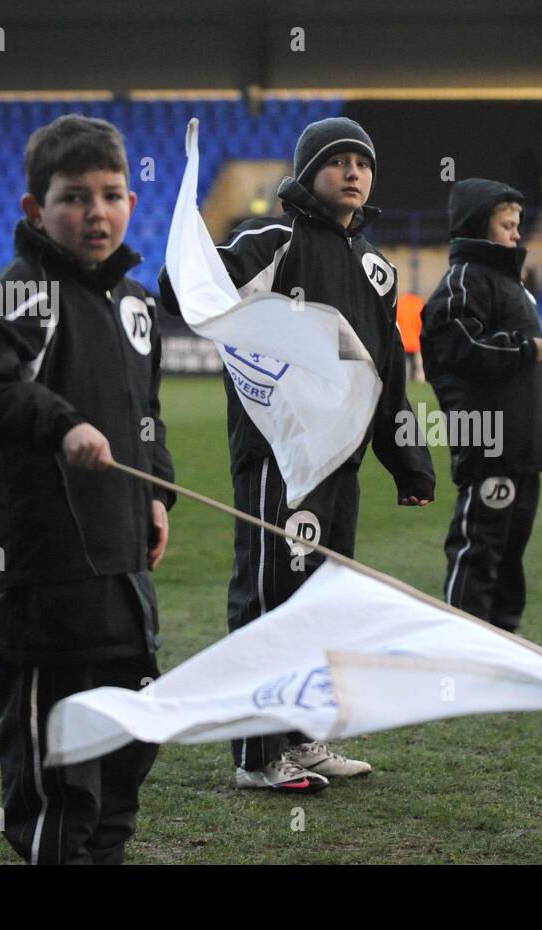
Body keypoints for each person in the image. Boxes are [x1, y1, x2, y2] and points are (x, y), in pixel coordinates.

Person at [159, 117, 435, 793]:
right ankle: (257, 753)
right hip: (276, 457)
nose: (352, 171)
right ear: (307, 171)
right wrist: (187, 270)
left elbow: (386, 370)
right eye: (336, 160)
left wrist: (409, 460)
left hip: (339, 461)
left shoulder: (376, 268)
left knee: (322, 601)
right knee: (269, 595)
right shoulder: (271, 240)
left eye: (361, 161)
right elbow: (188, 290)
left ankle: (304, 736)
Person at [0, 115, 174, 864]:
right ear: (34, 210)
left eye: (111, 195)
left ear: (132, 204)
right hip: (46, 593)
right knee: (60, 790)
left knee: (124, 768)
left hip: (124, 588)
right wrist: (60, 423)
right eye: (74, 197)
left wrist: (158, 491)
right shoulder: (17, 298)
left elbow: (146, 415)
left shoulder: (139, 307)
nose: (96, 212)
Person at [420, 178, 542, 633]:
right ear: (480, 225)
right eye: (507, 225)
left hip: (521, 446)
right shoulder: (464, 280)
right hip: (490, 444)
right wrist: (522, 349)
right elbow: (458, 344)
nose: (516, 235)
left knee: (512, 544)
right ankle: (465, 637)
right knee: (480, 542)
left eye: (517, 225)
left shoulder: (509, 283)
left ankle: (504, 634)